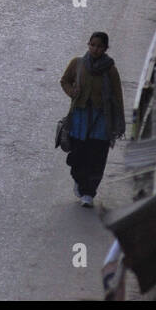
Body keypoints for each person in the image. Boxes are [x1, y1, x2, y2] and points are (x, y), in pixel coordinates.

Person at [60, 32, 125, 207]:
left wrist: (119, 122)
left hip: (101, 120)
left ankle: (89, 193)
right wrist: (71, 92)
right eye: (93, 45)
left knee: (97, 156)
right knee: (78, 155)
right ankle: (80, 181)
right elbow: (65, 80)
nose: (95, 49)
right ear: (88, 45)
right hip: (80, 118)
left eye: (99, 46)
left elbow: (118, 96)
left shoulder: (110, 69)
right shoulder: (78, 64)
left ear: (105, 49)